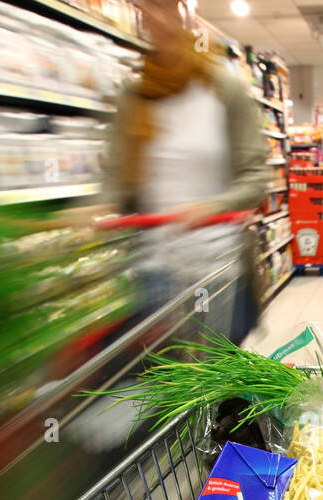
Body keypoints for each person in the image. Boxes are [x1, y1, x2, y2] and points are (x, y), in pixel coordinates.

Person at [100, 0, 270, 343]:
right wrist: (97, 208)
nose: (154, 18)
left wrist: (212, 206)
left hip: (217, 266)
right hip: (155, 271)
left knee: (218, 382)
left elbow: (256, 179)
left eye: (163, 7)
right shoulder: (134, 97)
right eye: (146, 9)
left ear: (182, 12)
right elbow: (116, 182)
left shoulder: (224, 89)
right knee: (166, 386)